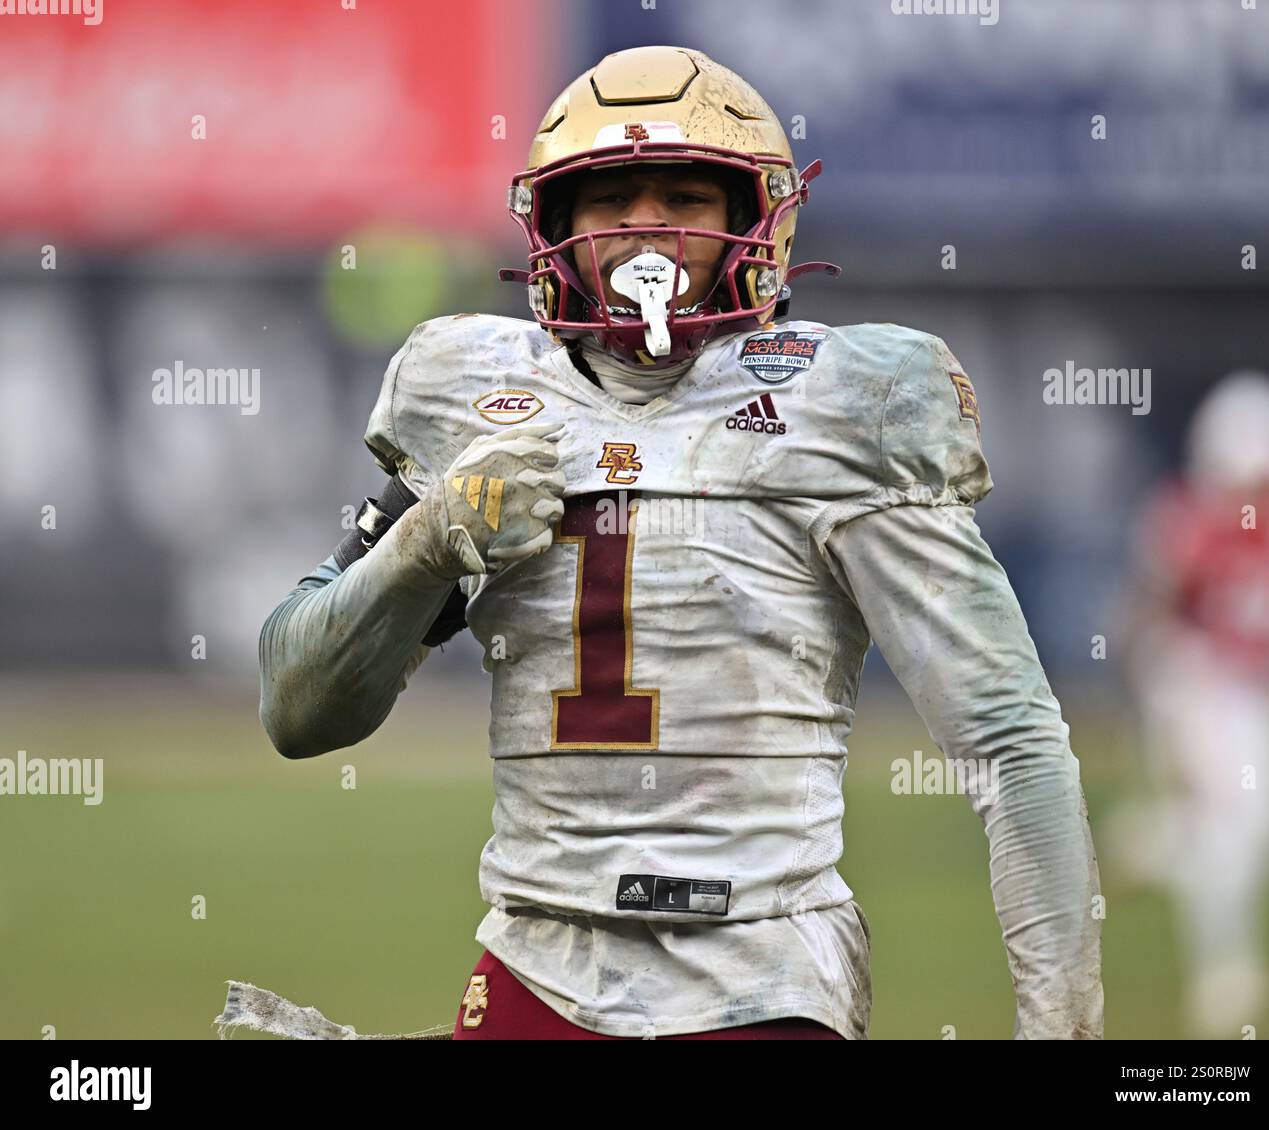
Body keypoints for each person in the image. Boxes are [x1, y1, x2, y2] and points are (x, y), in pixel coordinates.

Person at [258, 45, 1103, 1040]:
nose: (646, 231)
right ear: (557, 230)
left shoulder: (845, 398)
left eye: (684, 198)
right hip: (537, 959)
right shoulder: (473, 386)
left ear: (755, 224)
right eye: (613, 200)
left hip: (763, 970)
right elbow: (296, 704)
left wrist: (1062, 1026)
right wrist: (426, 543)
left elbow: (1009, 737)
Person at [1115, 371, 1269, 1037]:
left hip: (1260, 695)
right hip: (1199, 682)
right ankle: (1227, 974)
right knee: (1238, 824)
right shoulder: (1189, 519)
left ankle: (1155, 842)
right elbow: (1149, 616)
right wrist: (1165, 704)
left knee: (1264, 830)